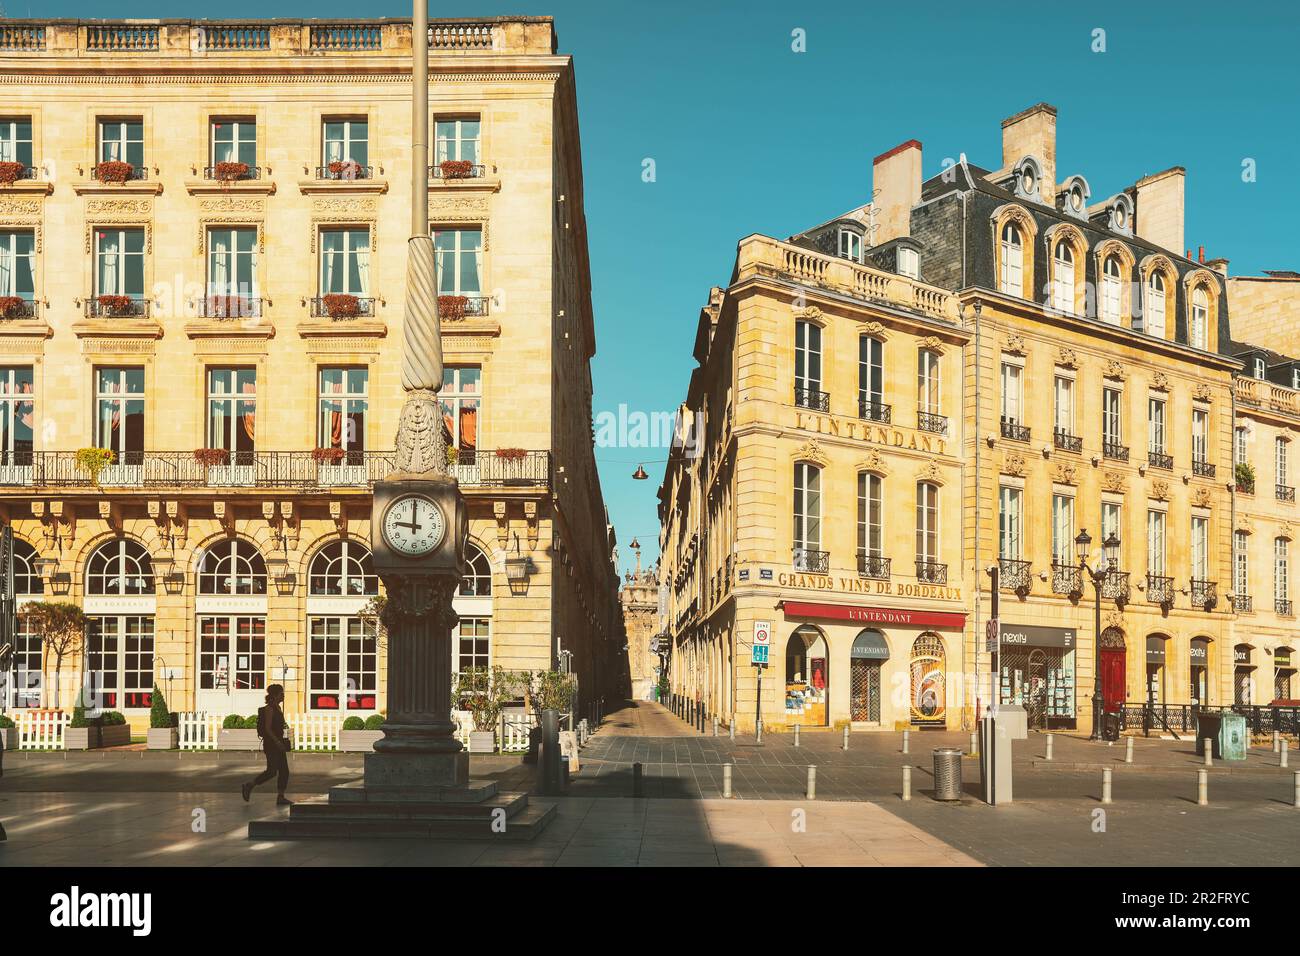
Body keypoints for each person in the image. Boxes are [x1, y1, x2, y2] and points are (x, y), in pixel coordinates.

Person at [241, 684, 292, 807]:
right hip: (271, 744)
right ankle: (249, 785)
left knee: (284, 771)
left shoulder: (278, 708)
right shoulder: (269, 709)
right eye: (281, 693)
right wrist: (277, 742)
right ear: (275, 695)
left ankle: (281, 796)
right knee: (272, 771)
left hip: (278, 743)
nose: (283, 695)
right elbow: (268, 729)